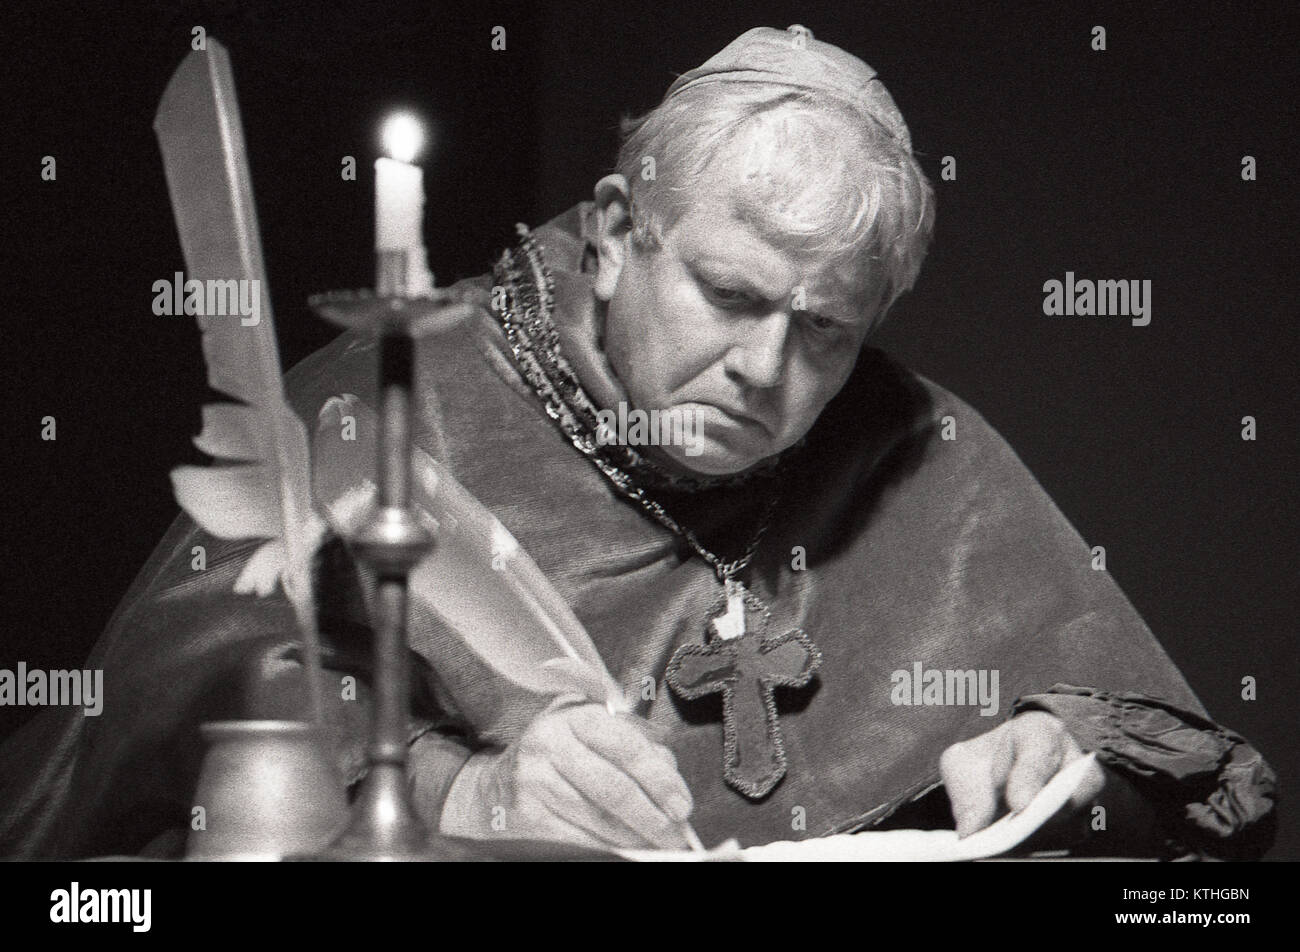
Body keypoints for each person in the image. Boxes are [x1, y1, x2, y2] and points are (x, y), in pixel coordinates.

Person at [0, 26, 1275, 860]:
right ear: (619, 231)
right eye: (727, 295)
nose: (767, 371)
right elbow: (176, 736)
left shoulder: (916, 443)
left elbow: (1186, 773)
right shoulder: (382, 402)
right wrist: (463, 790)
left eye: (826, 329)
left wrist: (1066, 760)